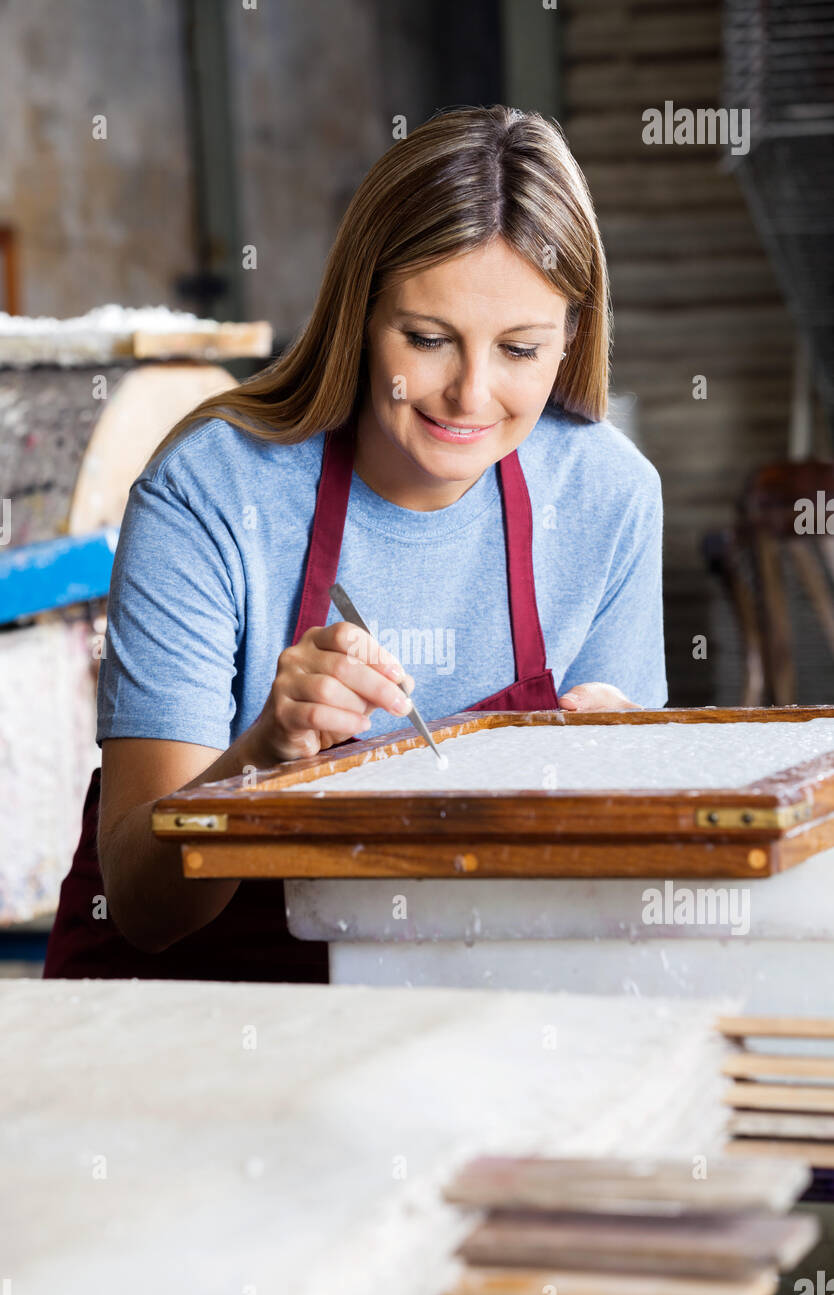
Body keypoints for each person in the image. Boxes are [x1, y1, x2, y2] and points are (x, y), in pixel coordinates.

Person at [43, 104, 667, 983]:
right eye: (427, 339)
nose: (470, 395)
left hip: (462, 993)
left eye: (521, 349)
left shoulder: (611, 496)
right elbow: (143, 906)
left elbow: (627, 897)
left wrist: (630, 785)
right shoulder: (213, 491)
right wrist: (266, 752)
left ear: (571, 338)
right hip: (197, 1007)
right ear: (357, 313)